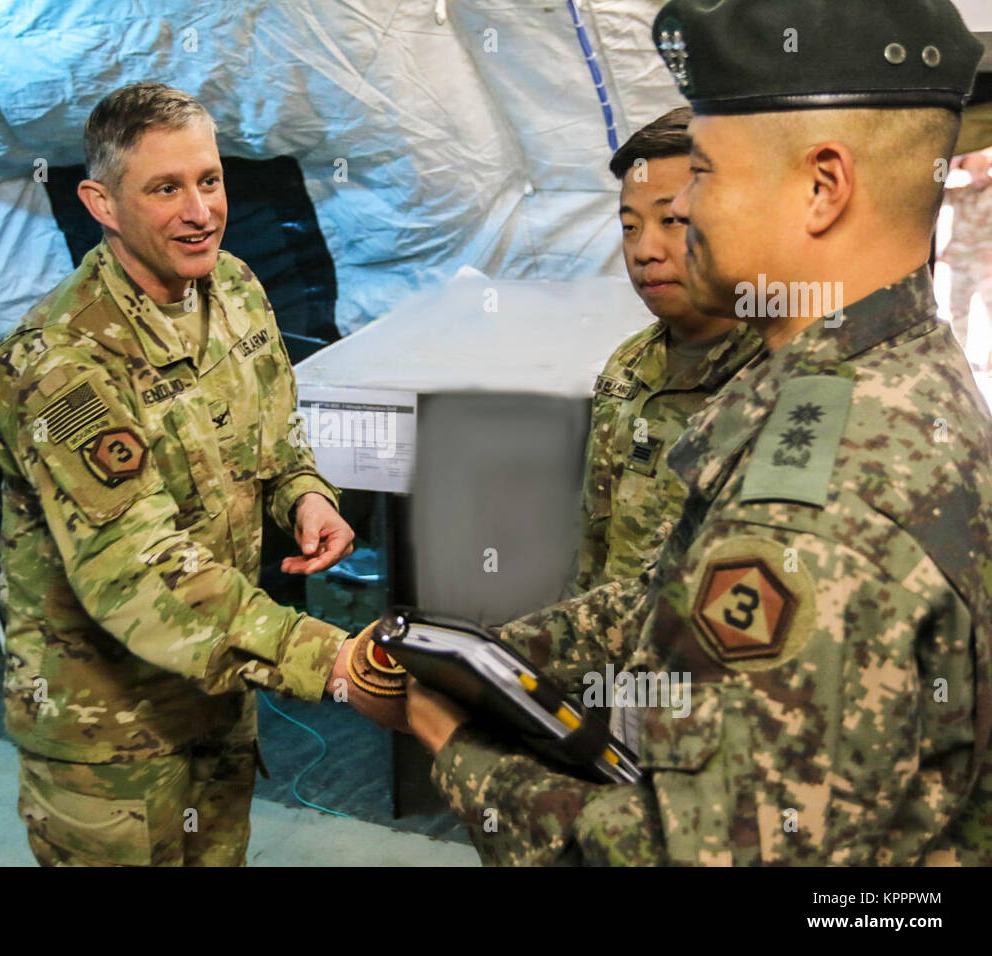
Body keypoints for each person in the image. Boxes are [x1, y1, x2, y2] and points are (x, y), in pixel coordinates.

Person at [405, 0, 992, 865]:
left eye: (705, 174)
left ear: (822, 188)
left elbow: (698, 855)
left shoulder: (811, 509)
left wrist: (457, 748)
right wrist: (495, 659)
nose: (681, 206)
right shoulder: (899, 372)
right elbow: (667, 598)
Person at [0, 82, 404, 867]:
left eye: (209, 180)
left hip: (217, 694)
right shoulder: (63, 366)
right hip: (110, 736)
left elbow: (277, 432)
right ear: (101, 204)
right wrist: (334, 663)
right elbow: (137, 572)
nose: (200, 211)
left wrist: (304, 495)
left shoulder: (232, 289)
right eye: (165, 189)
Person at [575, 106, 761, 597]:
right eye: (630, 226)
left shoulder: (777, 376)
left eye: (673, 220)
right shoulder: (629, 366)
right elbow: (595, 549)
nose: (644, 251)